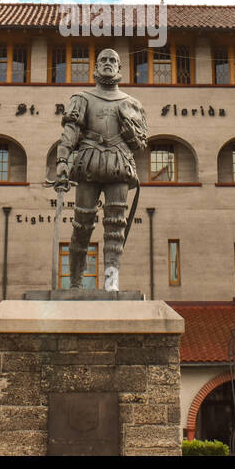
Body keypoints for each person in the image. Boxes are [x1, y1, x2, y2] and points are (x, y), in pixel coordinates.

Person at [53, 48, 148, 291]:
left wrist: (130, 134)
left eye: (112, 60)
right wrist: (62, 161)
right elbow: (70, 133)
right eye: (103, 60)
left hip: (119, 164)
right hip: (89, 163)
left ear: (119, 68)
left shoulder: (132, 103)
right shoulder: (82, 98)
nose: (108, 63)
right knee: (82, 224)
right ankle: (75, 281)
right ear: (95, 68)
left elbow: (141, 143)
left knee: (116, 226)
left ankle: (111, 281)